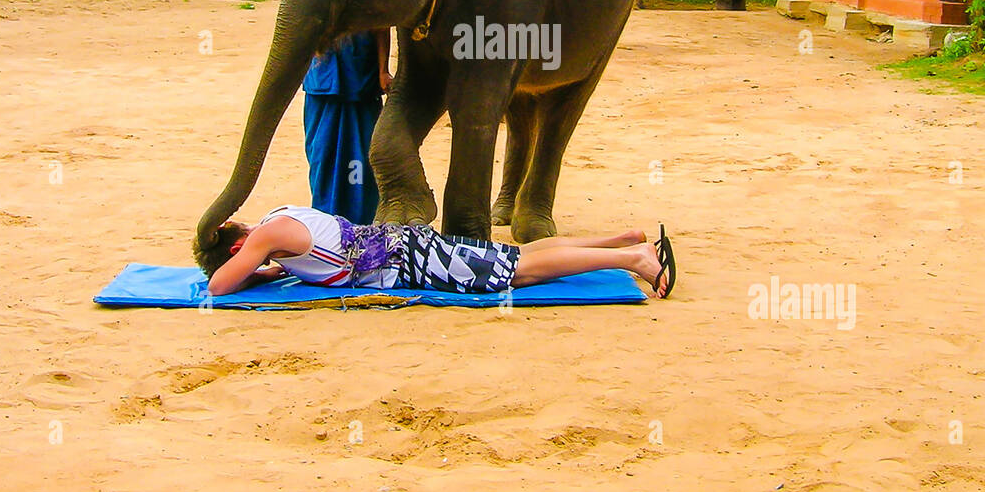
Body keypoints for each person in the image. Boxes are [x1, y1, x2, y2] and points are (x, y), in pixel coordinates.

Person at [195, 205, 677, 300]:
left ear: (238, 244)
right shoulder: (279, 223)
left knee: (517, 270)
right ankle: (622, 240)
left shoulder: (263, 237)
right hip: (405, 248)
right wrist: (266, 268)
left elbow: (219, 286)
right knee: (518, 264)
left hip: (409, 257)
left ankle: (632, 261)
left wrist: (249, 269)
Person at [302, 30, 391, 224]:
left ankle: (362, 227)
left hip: (362, 78)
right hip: (322, 82)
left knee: (362, 160)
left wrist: (383, 71)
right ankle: (326, 224)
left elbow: (382, 27)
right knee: (322, 158)